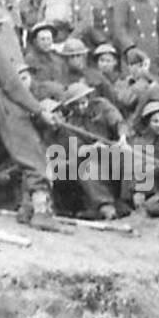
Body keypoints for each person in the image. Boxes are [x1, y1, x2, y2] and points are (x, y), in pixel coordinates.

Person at [0, 3, 61, 228]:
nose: (0, 29)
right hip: (4, 105)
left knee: (21, 155)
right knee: (34, 156)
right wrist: (40, 110)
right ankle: (41, 213)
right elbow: (13, 85)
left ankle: (27, 209)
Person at [52, 81, 129, 220]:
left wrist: (122, 138)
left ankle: (129, 201)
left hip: (114, 152)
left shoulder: (102, 105)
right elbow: (78, 150)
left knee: (131, 159)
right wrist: (93, 148)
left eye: (83, 102)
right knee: (86, 169)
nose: (81, 107)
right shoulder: (71, 124)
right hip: (94, 160)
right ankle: (106, 207)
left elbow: (119, 122)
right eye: (77, 105)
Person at [24, 22, 64, 87]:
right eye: (42, 39)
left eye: (48, 39)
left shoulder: (56, 57)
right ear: (35, 41)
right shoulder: (30, 58)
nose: (46, 43)